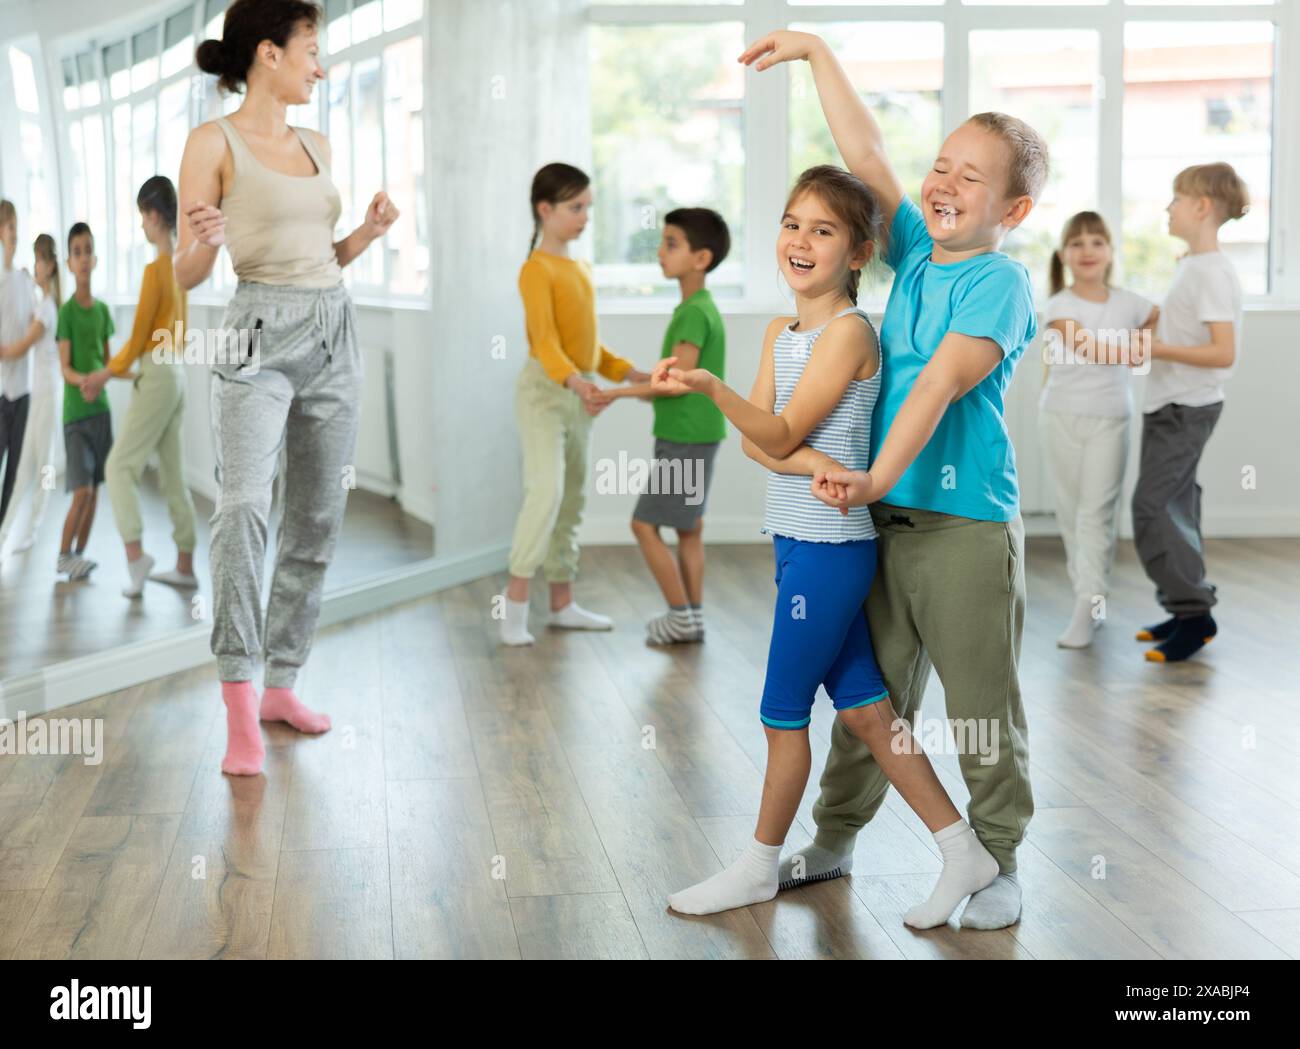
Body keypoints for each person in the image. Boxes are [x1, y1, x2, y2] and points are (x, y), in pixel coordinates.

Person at [744, 29, 1046, 930]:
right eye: (942, 166)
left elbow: (944, 382)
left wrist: (872, 474)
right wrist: (816, 54)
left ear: (1015, 209)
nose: (945, 184)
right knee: (871, 700)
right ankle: (835, 838)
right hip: (881, 527)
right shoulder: (912, 250)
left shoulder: (1002, 281)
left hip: (960, 527)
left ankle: (998, 861)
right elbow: (865, 152)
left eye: (972, 177)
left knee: (980, 709)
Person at [664, 166, 997, 927]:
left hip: (829, 550)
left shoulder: (850, 334)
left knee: (782, 714)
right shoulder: (782, 332)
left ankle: (755, 867)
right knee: (868, 716)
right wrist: (812, 460)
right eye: (791, 223)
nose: (800, 241)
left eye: (823, 229)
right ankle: (961, 849)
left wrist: (715, 390)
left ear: (858, 251)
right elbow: (764, 450)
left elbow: (770, 429)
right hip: (795, 539)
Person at [178, 0, 398, 775]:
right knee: (242, 508)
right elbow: (188, 269)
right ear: (269, 53)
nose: (321, 64)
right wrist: (201, 247)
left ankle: (283, 684)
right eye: (311, 48)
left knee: (316, 515)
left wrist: (366, 236)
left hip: (334, 327)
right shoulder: (213, 142)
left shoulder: (317, 140)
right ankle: (239, 700)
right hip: (255, 330)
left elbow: (321, 253)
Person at [499, 162, 651, 646]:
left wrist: (628, 373)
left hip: (579, 389)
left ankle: (562, 603)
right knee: (546, 491)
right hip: (546, 392)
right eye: (575, 207)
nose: (585, 216)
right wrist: (576, 383)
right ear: (545, 210)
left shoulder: (580, 268)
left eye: (588, 206)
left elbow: (591, 348)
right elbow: (546, 344)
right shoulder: (535, 269)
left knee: (573, 497)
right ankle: (515, 607)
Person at [1131, 162, 1248, 663]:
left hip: (1187, 408)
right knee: (1173, 506)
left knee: (1155, 507)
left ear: (1201, 207)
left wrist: (1157, 348)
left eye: (1176, 199)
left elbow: (1224, 353)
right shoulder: (1193, 265)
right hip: (1170, 404)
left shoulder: (1213, 272)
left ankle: (1195, 614)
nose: (1168, 208)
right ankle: (1183, 609)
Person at [605, 207, 730, 645]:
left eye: (672, 243)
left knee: (643, 525)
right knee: (688, 529)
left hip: (684, 438)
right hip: (701, 434)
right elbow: (670, 379)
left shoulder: (692, 313)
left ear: (701, 258)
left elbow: (675, 385)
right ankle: (691, 619)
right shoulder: (701, 307)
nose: (660, 251)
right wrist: (637, 379)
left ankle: (679, 616)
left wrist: (612, 394)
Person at [1039, 211, 1157, 648]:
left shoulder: (1132, 303)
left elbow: (1165, 325)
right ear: (1064, 254)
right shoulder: (1059, 305)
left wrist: (1146, 342)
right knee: (1071, 515)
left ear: (1110, 251)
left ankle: (1089, 603)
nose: (1087, 251)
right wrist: (1137, 348)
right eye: (1077, 243)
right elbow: (1086, 347)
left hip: (1111, 418)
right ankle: (1089, 597)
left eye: (1096, 242)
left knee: (1096, 514)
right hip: (1060, 416)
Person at [82, 176, 199, 598]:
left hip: (159, 377)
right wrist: (140, 370)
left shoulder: (156, 271)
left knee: (117, 467)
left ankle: (136, 559)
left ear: (153, 215)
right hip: (175, 375)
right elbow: (166, 339)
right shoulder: (183, 269)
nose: (143, 227)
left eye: (142, 218)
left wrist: (102, 374)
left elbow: (137, 338)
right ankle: (185, 563)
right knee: (172, 474)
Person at [55, 223, 114, 581]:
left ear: (95, 258)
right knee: (82, 492)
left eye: (87, 250)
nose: (82, 258)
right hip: (76, 416)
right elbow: (65, 368)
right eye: (76, 251)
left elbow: (108, 362)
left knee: (94, 496)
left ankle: (78, 557)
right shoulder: (65, 313)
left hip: (101, 413)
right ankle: (63, 555)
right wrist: (86, 381)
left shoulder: (104, 311)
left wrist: (103, 377)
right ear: (69, 261)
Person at [0, 233, 62, 556]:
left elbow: (21, 346)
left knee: (44, 466)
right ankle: (7, 532)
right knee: (26, 466)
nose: (35, 265)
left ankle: (34, 527)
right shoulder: (41, 305)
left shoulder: (49, 309)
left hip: (49, 392)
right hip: (38, 393)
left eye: (39, 260)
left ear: (49, 266)